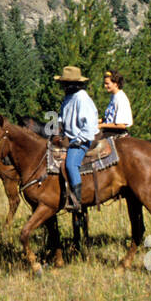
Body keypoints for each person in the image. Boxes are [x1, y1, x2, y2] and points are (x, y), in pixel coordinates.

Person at [56, 65, 98, 213]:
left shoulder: (82, 98)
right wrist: (59, 126)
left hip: (82, 138)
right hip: (69, 137)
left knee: (71, 164)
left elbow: (90, 123)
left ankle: (76, 200)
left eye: (65, 83)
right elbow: (62, 115)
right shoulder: (69, 97)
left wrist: (80, 139)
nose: (63, 86)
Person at [99, 69, 133, 136]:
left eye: (107, 84)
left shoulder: (121, 99)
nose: (105, 86)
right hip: (108, 132)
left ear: (116, 84)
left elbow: (121, 125)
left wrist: (101, 125)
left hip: (116, 134)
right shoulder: (114, 96)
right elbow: (110, 119)